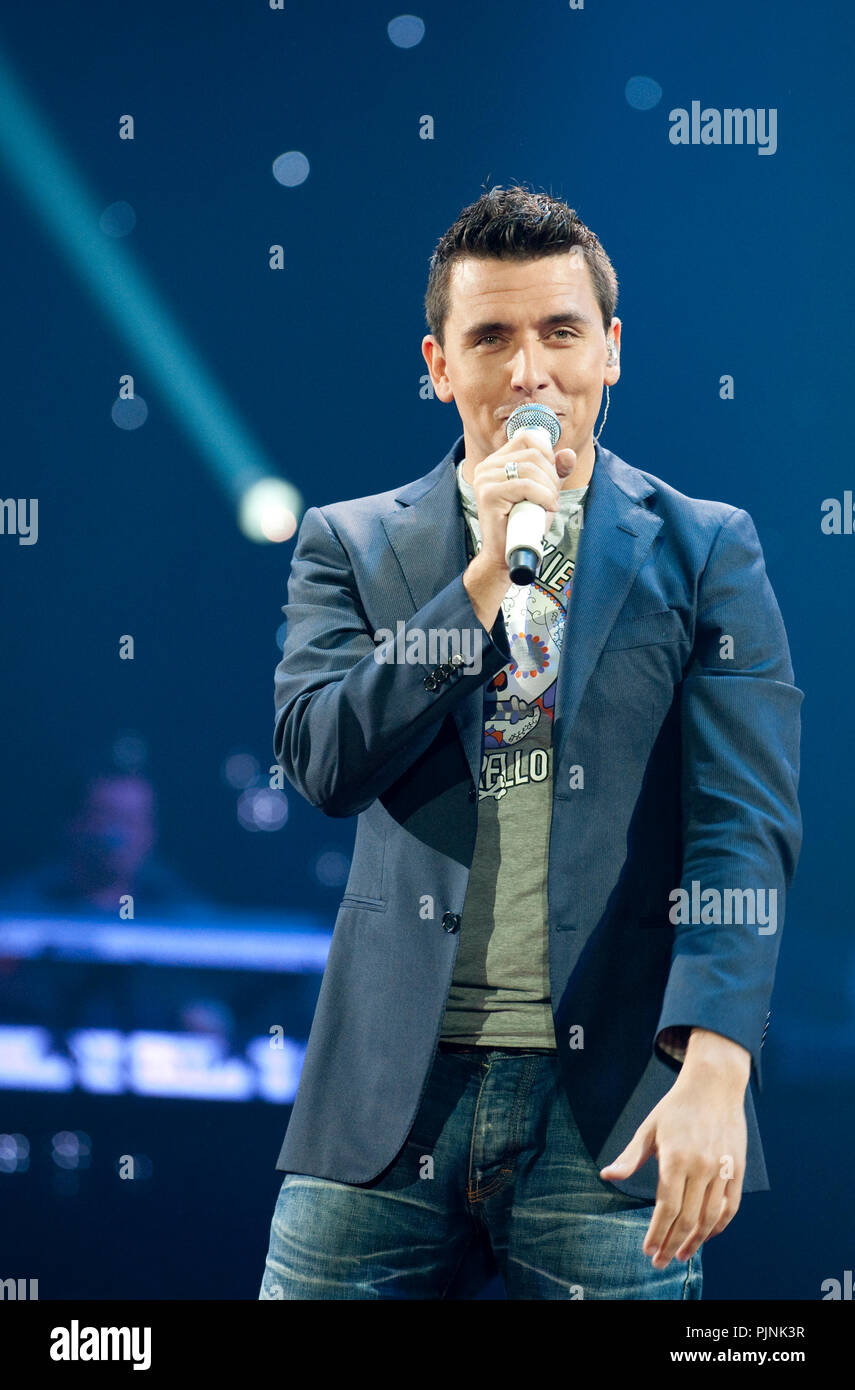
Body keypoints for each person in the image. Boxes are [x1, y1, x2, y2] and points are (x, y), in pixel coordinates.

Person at [258, 184, 802, 1300]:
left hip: (608, 1107)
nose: (528, 372)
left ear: (610, 351)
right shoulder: (350, 545)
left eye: (560, 332)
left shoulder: (705, 550)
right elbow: (320, 759)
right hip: (386, 1105)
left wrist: (718, 1060)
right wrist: (480, 583)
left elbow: (743, 827)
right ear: (438, 363)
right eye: (490, 337)